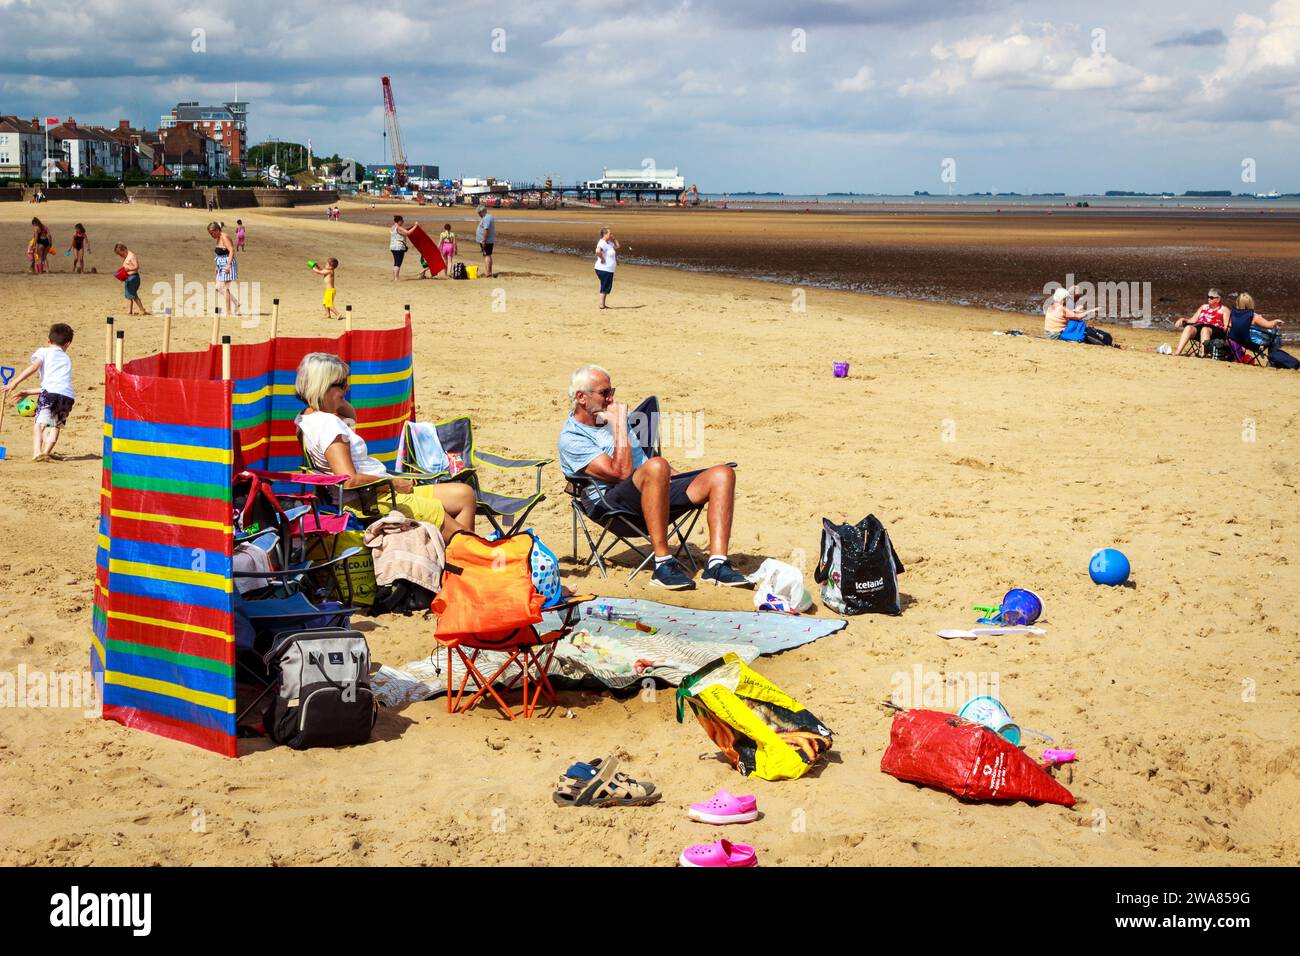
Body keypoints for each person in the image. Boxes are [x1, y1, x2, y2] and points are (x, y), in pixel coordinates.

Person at [557, 364, 750, 590]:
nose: (611, 399)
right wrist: (619, 426)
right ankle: (663, 565)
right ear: (581, 397)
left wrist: (681, 477)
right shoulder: (572, 437)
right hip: (609, 503)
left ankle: (717, 565)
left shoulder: (614, 420)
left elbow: (643, 462)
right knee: (658, 465)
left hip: (651, 490)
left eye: (612, 392)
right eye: (604, 393)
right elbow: (620, 473)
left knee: (721, 474)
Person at [293, 353, 475, 541]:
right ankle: (465, 553)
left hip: (376, 493)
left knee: (464, 495)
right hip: (373, 500)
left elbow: (348, 419)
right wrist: (394, 483)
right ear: (321, 388)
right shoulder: (328, 425)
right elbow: (349, 480)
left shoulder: (306, 419)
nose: (346, 388)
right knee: (466, 540)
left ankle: (454, 558)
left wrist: (335, 398)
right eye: (340, 384)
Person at [2, 323, 75, 462]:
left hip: (50, 394)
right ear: (68, 344)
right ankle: (46, 452)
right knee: (55, 426)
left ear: (48, 340)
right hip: (67, 396)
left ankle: (37, 453)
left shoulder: (44, 351)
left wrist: (14, 383)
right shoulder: (66, 359)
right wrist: (29, 392)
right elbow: (58, 386)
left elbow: (34, 367)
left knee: (40, 424)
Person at [1175, 289, 1230, 356]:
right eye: (1208, 297)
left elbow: (1227, 326)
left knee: (1205, 329)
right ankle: (1178, 352)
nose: (1209, 299)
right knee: (1188, 328)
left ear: (1218, 299)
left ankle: (1203, 354)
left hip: (1216, 332)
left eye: (1211, 297)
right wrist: (1183, 319)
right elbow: (1193, 320)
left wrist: (1226, 334)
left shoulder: (1224, 310)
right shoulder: (1203, 307)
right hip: (1201, 327)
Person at [208, 221, 240, 316]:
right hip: (221, 265)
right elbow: (219, 253)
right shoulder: (218, 238)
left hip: (228, 264)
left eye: (212, 233)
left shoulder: (224, 237)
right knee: (218, 287)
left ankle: (228, 311)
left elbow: (231, 251)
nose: (211, 235)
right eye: (210, 233)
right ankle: (236, 302)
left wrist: (228, 265)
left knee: (225, 288)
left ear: (217, 230)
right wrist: (217, 266)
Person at [114, 243, 148, 315]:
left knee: (132, 295)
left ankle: (141, 310)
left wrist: (128, 269)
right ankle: (130, 311)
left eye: (120, 254)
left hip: (133, 278)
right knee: (129, 295)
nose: (120, 256)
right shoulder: (126, 256)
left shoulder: (131, 256)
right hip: (129, 277)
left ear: (124, 250)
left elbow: (137, 266)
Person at [594, 227, 619, 308]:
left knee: (606, 286)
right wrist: (602, 259)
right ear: (605, 234)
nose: (611, 235)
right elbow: (597, 251)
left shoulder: (608, 243)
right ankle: (601, 304)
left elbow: (617, 246)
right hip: (604, 268)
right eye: (609, 233)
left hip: (608, 269)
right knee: (605, 286)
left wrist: (614, 239)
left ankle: (603, 304)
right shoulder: (602, 243)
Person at [390, 215, 417, 280]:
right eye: (402, 221)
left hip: (393, 246)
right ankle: (396, 278)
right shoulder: (398, 227)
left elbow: (403, 232)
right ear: (399, 221)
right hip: (399, 247)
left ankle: (395, 277)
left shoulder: (392, 227)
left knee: (396, 262)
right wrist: (415, 226)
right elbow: (408, 233)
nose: (403, 222)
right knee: (398, 263)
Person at [475, 203, 495, 278]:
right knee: (486, 255)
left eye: (479, 213)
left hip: (487, 241)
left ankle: (488, 273)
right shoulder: (487, 217)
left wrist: (483, 240)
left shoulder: (487, 218)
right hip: (487, 240)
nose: (479, 215)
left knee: (487, 255)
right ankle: (488, 271)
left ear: (482, 211)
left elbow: (486, 230)